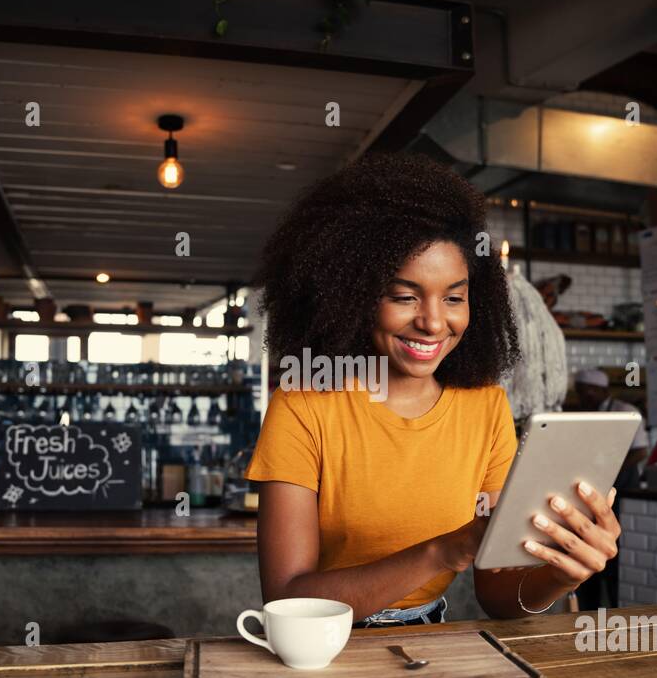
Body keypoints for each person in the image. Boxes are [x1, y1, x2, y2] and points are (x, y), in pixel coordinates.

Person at [244, 154, 624, 627]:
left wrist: (564, 572)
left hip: (430, 644)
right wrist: (443, 551)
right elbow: (285, 599)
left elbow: (499, 598)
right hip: (323, 651)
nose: (432, 321)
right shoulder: (303, 406)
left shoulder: (485, 407)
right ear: (353, 297)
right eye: (404, 296)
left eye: (453, 297)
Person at [571, 367, 649, 609]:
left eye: (591, 391)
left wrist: (609, 470)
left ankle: (614, 609)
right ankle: (588, 612)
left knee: (614, 553)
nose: (586, 397)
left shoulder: (625, 412)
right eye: (582, 392)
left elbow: (641, 451)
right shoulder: (582, 414)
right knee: (588, 553)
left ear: (604, 389)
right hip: (590, 495)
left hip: (622, 489)